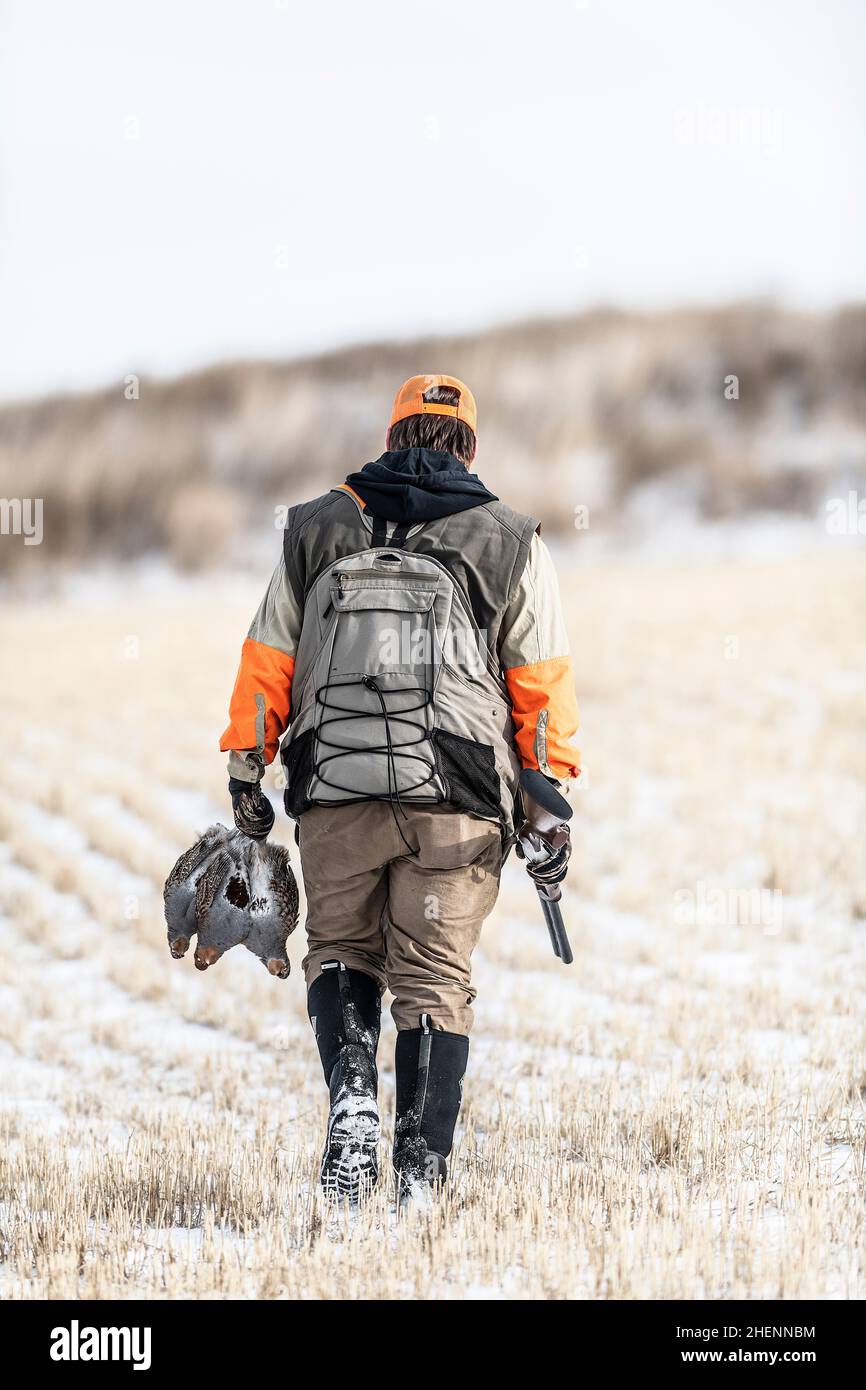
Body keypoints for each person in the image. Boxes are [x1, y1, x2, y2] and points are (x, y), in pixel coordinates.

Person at [220, 374, 580, 1201]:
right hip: (453, 803)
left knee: (342, 952)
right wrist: (546, 814)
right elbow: (541, 697)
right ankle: (419, 1173)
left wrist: (247, 772)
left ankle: (352, 1103)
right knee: (433, 977)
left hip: (335, 794)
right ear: (472, 447)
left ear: (393, 435)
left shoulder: (315, 526)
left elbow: (266, 662)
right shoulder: (511, 539)